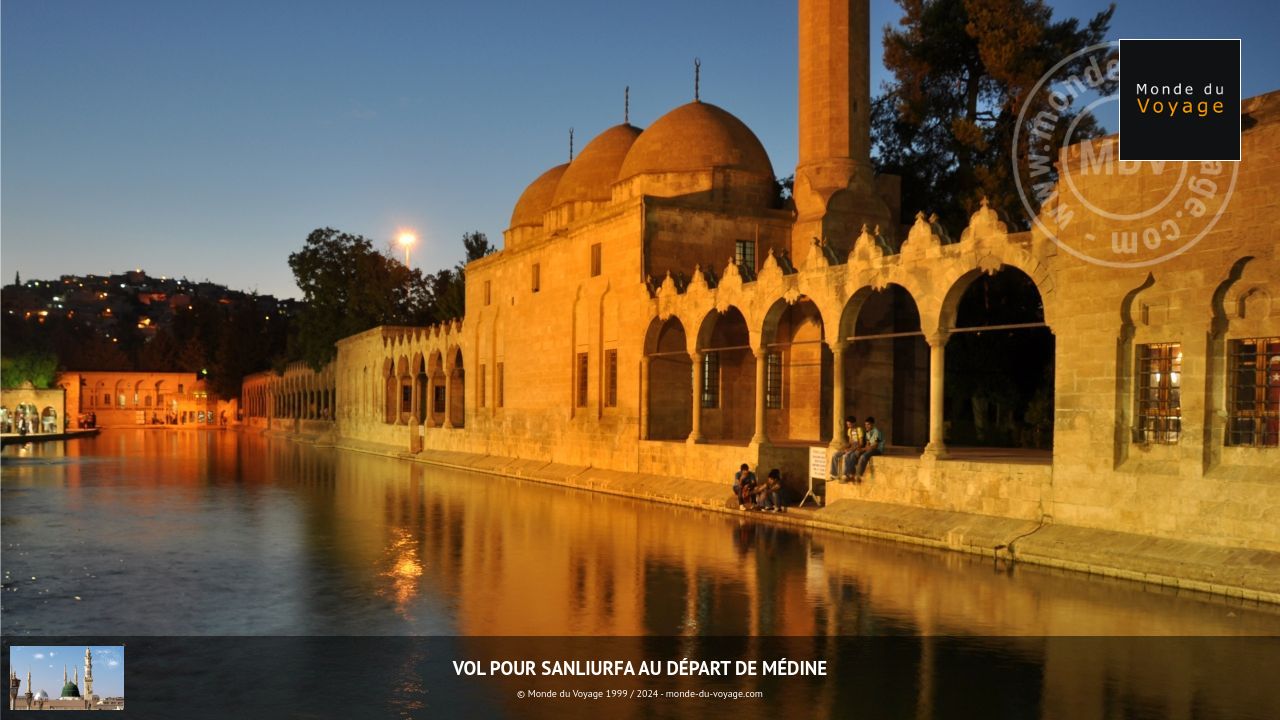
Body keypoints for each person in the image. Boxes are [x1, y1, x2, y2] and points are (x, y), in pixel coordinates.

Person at [830, 416, 862, 482]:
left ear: (854, 423)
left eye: (849, 424)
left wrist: (851, 449)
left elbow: (861, 443)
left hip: (856, 448)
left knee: (847, 455)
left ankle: (846, 475)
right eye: (847, 424)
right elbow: (850, 442)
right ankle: (834, 474)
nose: (848, 426)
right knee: (835, 455)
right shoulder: (849, 430)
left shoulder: (859, 429)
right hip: (851, 448)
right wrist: (843, 447)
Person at [853, 416, 885, 482]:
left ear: (872, 424)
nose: (866, 426)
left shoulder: (877, 432)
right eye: (865, 424)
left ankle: (858, 476)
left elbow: (875, 446)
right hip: (870, 449)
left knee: (863, 456)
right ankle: (853, 472)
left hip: (877, 450)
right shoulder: (868, 432)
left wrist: (864, 449)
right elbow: (867, 444)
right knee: (856, 453)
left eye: (868, 424)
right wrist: (863, 449)